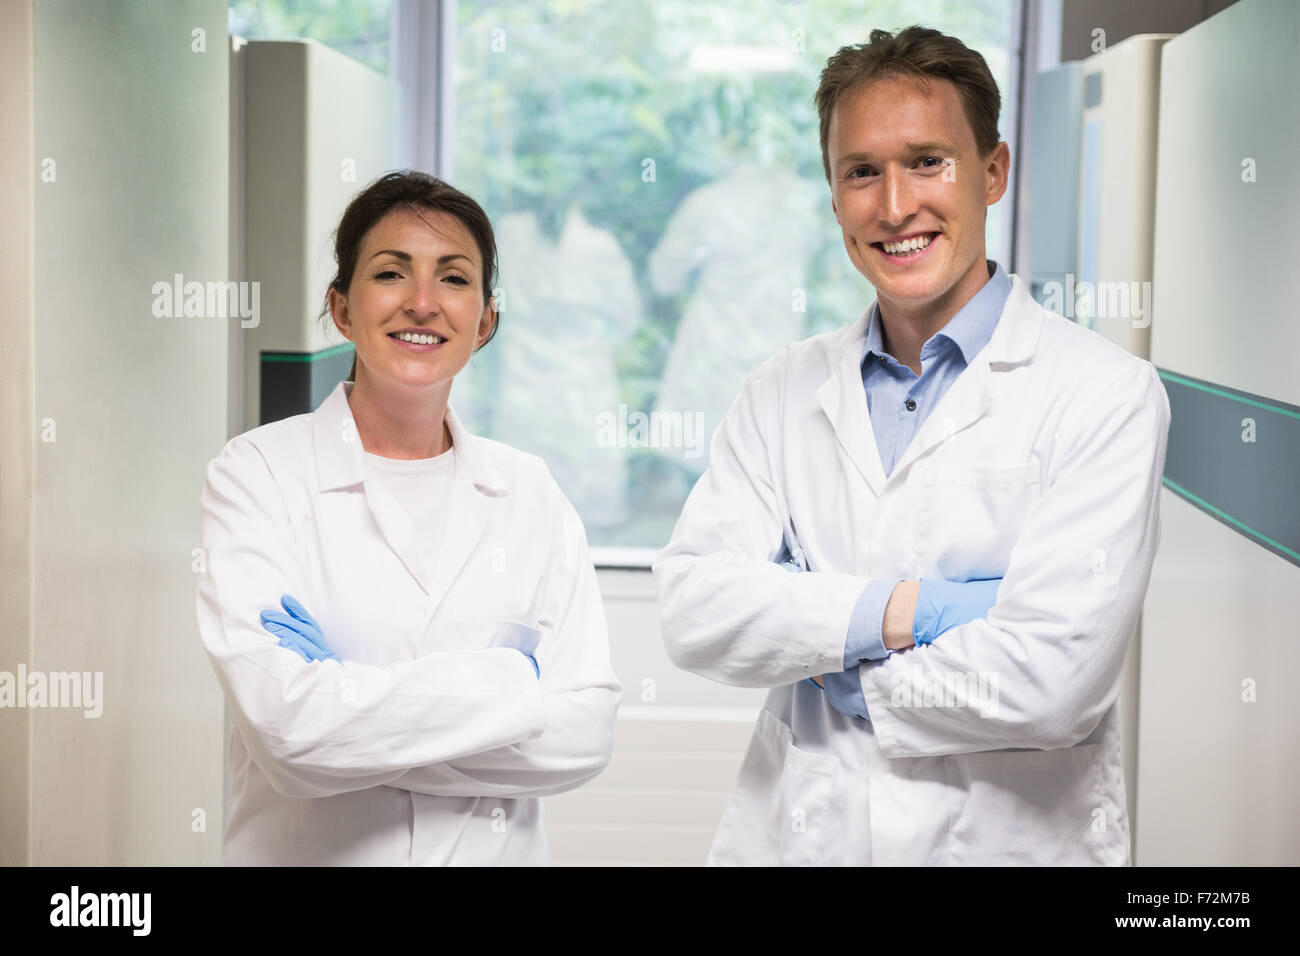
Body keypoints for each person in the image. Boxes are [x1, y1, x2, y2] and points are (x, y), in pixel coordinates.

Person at [653, 26, 1171, 866]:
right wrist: (910, 612)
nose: (894, 206)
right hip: (805, 838)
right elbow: (695, 609)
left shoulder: (1105, 393)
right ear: (833, 195)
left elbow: (1051, 686)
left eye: (928, 161)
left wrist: (825, 655)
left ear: (993, 171)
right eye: (861, 171)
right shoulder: (781, 389)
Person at [195, 170, 621, 866]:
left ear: (485, 319)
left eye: (453, 279)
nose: (423, 304)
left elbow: (586, 735)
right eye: (392, 273)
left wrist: (346, 711)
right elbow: (288, 736)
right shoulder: (257, 474)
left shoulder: (528, 491)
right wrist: (515, 685)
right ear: (341, 308)